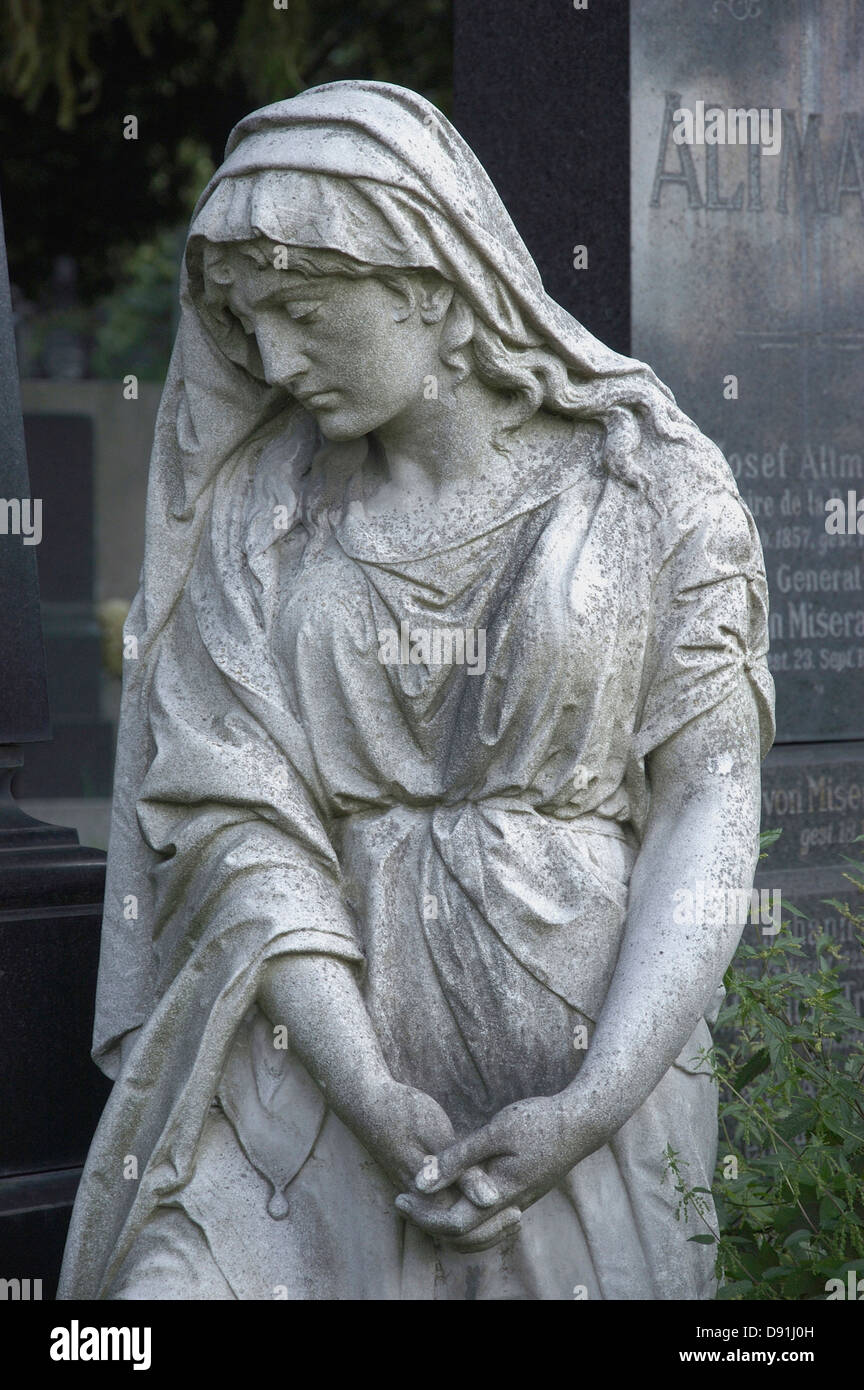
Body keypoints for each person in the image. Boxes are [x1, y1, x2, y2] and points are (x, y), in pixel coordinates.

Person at [58, 80, 774, 1301]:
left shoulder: (653, 487)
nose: (274, 358)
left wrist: (593, 1102)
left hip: (581, 1093)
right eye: (248, 322)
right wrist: (371, 1092)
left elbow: (709, 806)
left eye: (302, 312)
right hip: (307, 1078)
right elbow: (237, 829)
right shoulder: (256, 519)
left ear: (431, 287)